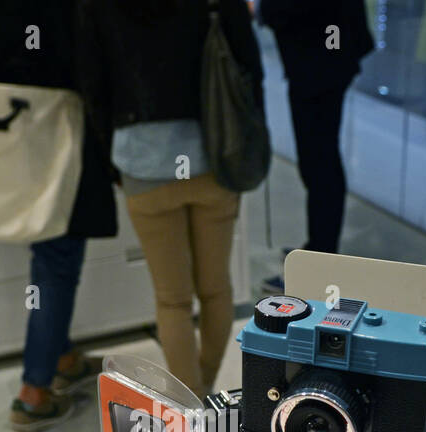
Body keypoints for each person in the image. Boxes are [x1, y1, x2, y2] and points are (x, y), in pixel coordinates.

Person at [0, 2, 118, 432]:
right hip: (50, 122)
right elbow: (64, 46)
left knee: (47, 248)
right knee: (57, 254)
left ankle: (61, 358)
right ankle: (33, 392)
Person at [76, 0, 263, 396]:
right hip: (214, 156)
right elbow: (251, 68)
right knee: (216, 289)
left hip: (142, 162)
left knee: (172, 301)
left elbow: (93, 86)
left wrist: (114, 165)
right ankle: (203, 396)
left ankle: (189, 409)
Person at [258, 0, 373, 294]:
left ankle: (321, 262)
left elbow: (299, 10)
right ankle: (319, 250)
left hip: (319, 63)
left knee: (319, 162)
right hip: (322, 58)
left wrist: (261, 10)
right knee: (318, 160)